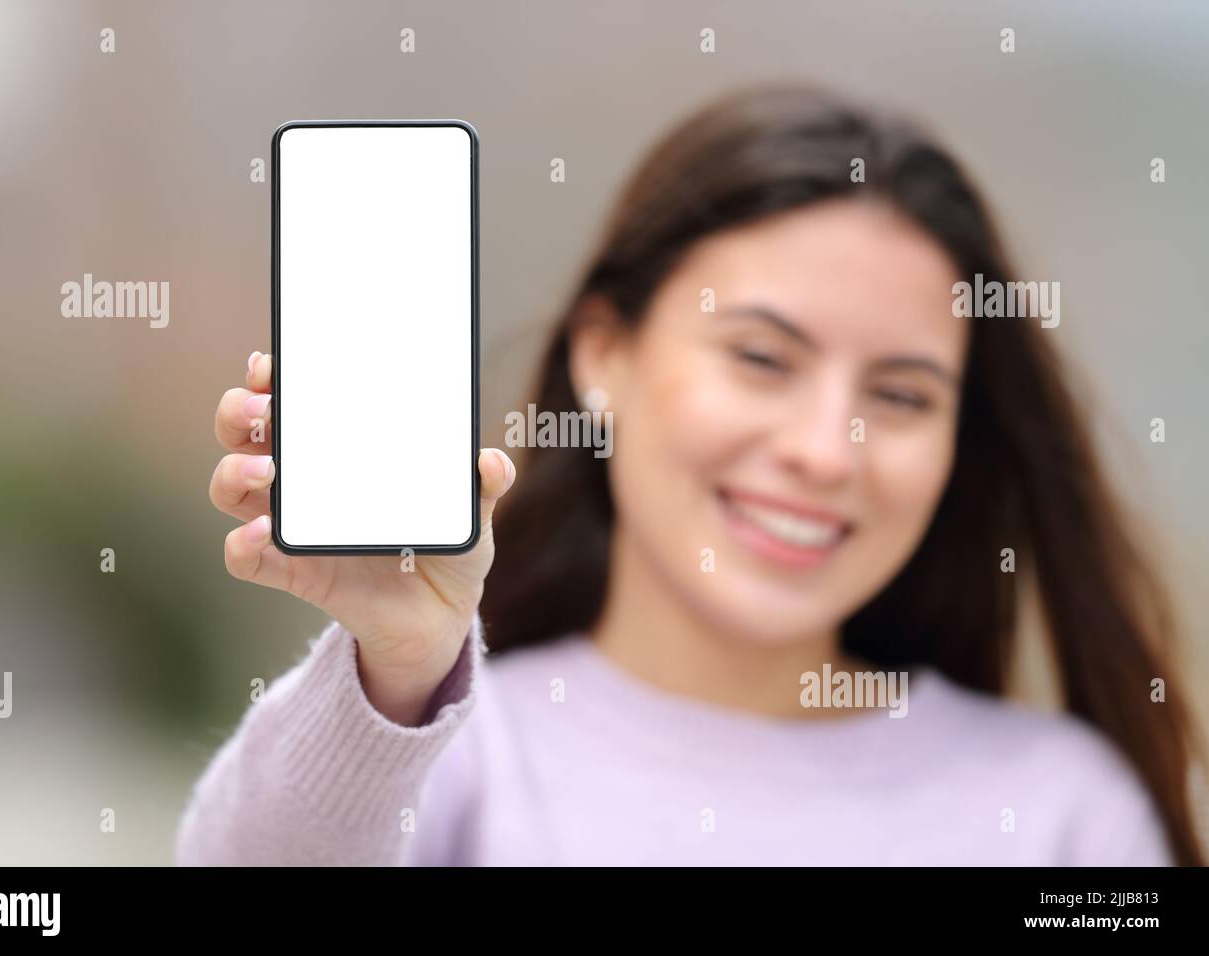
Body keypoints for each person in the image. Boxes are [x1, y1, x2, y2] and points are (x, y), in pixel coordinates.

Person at [178, 84, 1202, 865]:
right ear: (603, 356)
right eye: (761, 358)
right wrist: (397, 661)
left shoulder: (1066, 813)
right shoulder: (448, 758)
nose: (823, 448)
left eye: (900, 395)